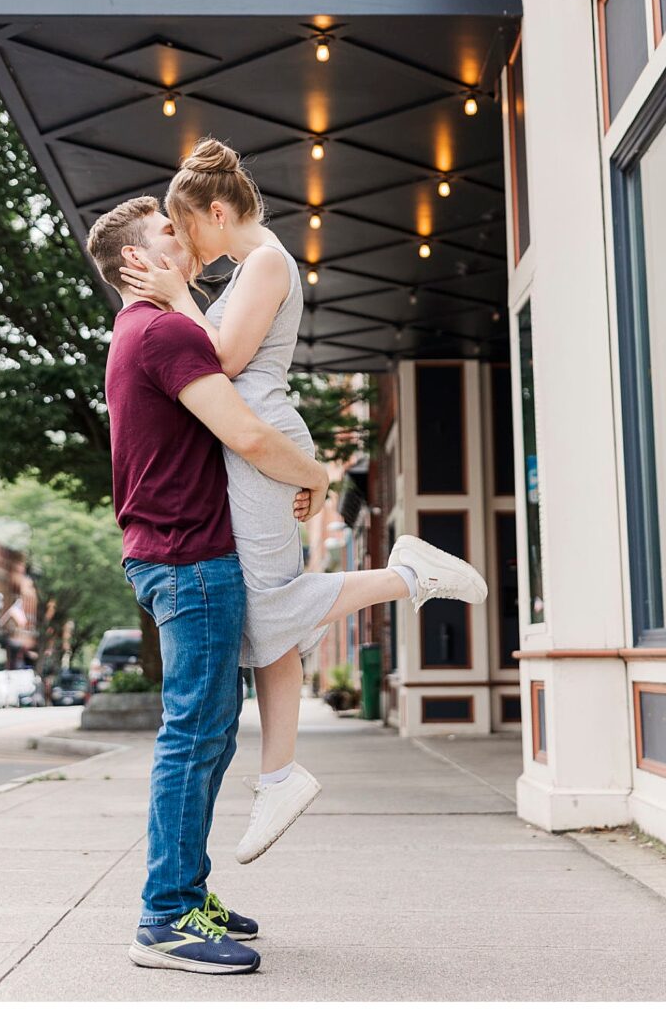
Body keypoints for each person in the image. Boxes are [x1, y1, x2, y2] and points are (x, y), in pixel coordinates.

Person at [119, 139, 489, 868]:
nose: (189, 247)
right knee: (268, 615)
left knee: (264, 608)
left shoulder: (264, 260)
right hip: (251, 446)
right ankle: (279, 776)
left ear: (218, 212)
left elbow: (222, 359)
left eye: (188, 229)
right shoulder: (255, 264)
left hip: (261, 442)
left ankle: (406, 577)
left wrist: (177, 299)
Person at [86, 194, 331, 976]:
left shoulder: (149, 329)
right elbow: (249, 432)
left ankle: (187, 892)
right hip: (190, 561)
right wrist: (316, 476)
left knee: (209, 734)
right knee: (194, 737)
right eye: (166, 231)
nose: (183, 236)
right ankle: (165, 918)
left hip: (179, 556)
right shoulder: (160, 332)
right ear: (135, 262)